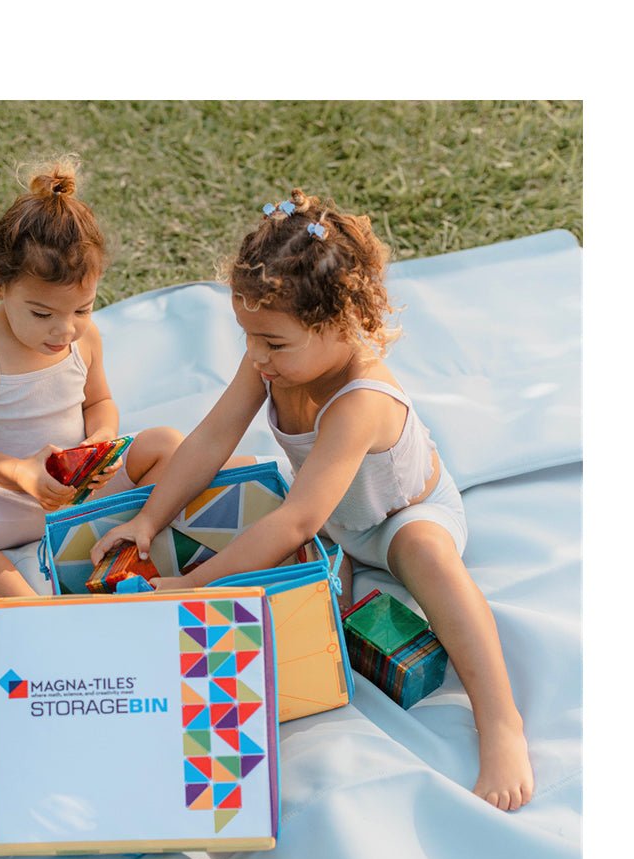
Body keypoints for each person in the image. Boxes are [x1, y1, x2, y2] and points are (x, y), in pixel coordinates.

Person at [90, 188, 534, 812]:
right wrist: (147, 519)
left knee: (426, 554)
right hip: (327, 518)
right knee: (291, 595)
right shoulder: (272, 358)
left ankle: (502, 722)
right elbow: (213, 437)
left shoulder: (360, 401)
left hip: (397, 517)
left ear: (340, 325)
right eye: (248, 337)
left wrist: (195, 586)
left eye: (272, 343)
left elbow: (298, 517)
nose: (256, 356)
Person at [0, 160, 183, 604]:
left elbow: (98, 401)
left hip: (84, 491)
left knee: (167, 444)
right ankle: (28, 607)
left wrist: (101, 439)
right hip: (11, 497)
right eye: (42, 313)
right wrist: (19, 473)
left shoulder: (85, 338)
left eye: (82, 309)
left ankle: (125, 542)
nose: (64, 330)